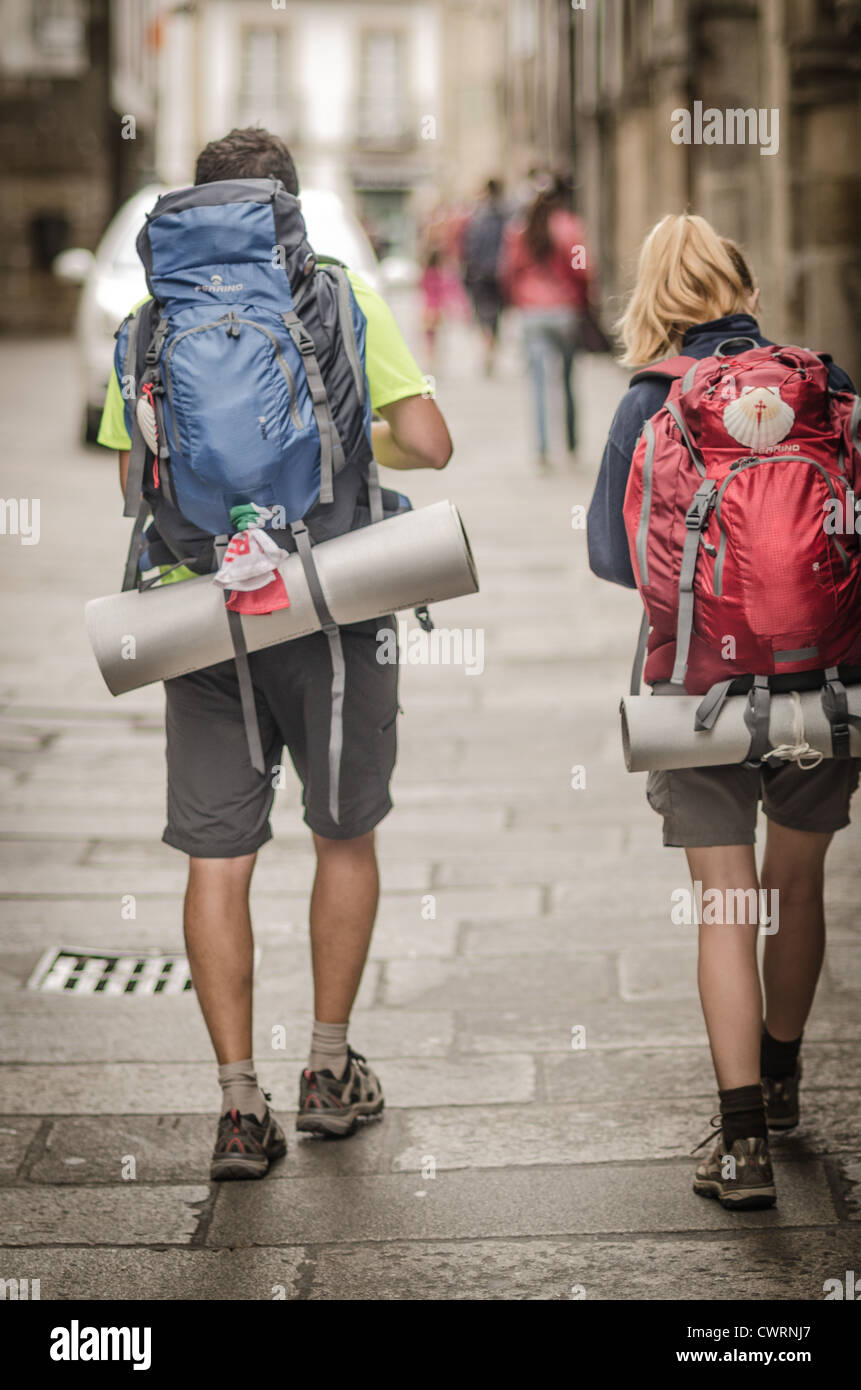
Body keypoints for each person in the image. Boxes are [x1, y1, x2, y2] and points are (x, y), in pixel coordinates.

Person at [97, 127, 453, 1180]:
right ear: (287, 214)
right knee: (344, 836)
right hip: (333, 600)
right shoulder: (339, 298)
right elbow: (429, 440)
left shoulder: (149, 323)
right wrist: (347, 441)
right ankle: (330, 1074)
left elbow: (134, 488)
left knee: (219, 856)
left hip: (208, 614)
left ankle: (239, 1108)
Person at [587, 212, 860, 1210]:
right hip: (824, 675)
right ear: (743, 286)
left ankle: (741, 1143)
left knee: (728, 905)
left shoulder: (648, 403)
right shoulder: (822, 389)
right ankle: (784, 1084)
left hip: (697, 687)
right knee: (798, 886)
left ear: (655, 302)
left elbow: (611, 559)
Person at [499, 174, 591, 470]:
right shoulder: (570, 226)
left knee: (538, 384)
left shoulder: (519, 230)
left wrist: (519, 300)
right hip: (564, 311)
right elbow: (582, 268)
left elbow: (508, 271)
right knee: (566, 381)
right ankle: (572, 445)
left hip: (532, 314)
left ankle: (542, 450)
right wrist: (583, 299)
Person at [461, 178, 508, 376]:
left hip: (480, 273)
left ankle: (487, 347)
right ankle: (491, 348)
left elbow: (471, 247)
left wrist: (469, 270)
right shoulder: (506, 216)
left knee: (483, 314)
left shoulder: (478, 217)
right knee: (494, 314)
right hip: (498, 272)